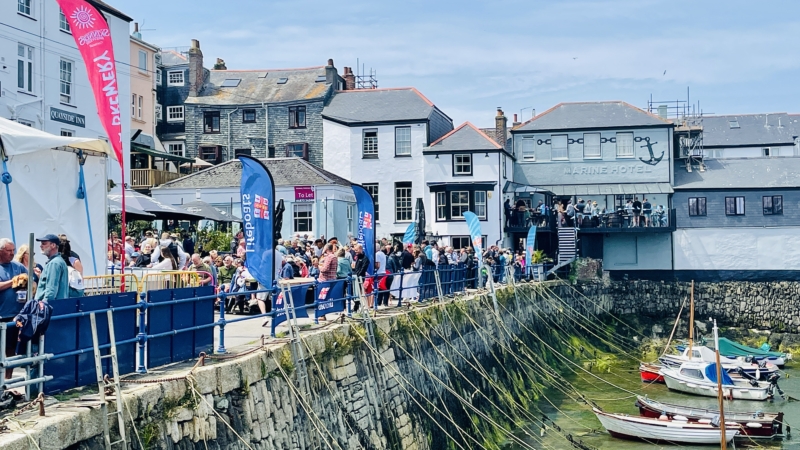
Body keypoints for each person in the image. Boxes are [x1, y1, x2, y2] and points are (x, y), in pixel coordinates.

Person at [0, 238, 27, 378]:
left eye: (13, 250)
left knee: (10, 348)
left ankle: (8, 380)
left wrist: (28, 282)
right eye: (8, 251)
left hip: (15, 315)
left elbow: (30, 282)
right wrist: (13, 281)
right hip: (1, 315)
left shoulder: (18, 266)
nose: (12, 253)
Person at [34, 234, 69, 302]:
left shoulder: (54, 263)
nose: (41, 246)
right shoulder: (59, 261)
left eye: (44, 243)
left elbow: (51, 290)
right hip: (58, 305)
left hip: (51, 308)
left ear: (53, 245)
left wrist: (43, 306)